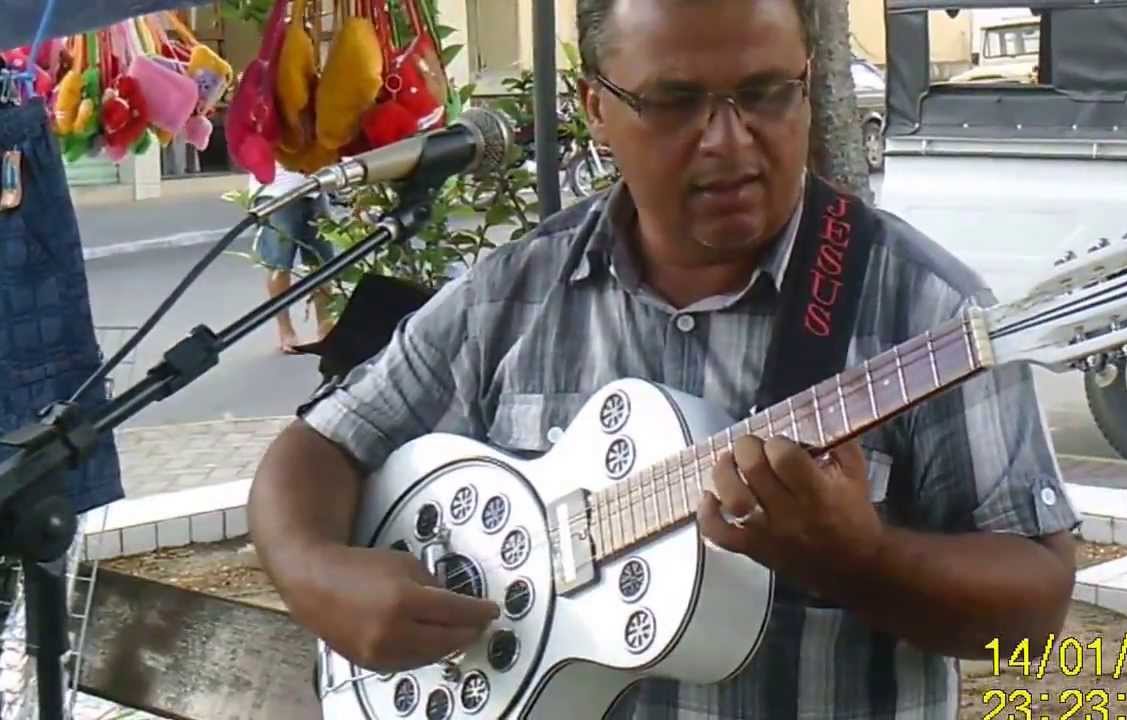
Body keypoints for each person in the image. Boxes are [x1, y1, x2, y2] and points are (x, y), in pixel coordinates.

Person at [247, 0, 1080, 717]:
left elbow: (1035, 605)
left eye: (765, 94)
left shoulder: (926, 312)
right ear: (597, 108)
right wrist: (319, 578)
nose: (728, 141)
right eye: (675, 103)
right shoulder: (507, 297)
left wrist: (861, 559)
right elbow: (320, 447)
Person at [248, 162, 337, 353]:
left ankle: (325, 326)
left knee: (322, 264)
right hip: (275, 194)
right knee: (279, 265)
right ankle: (285, 329)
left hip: (314, 190)